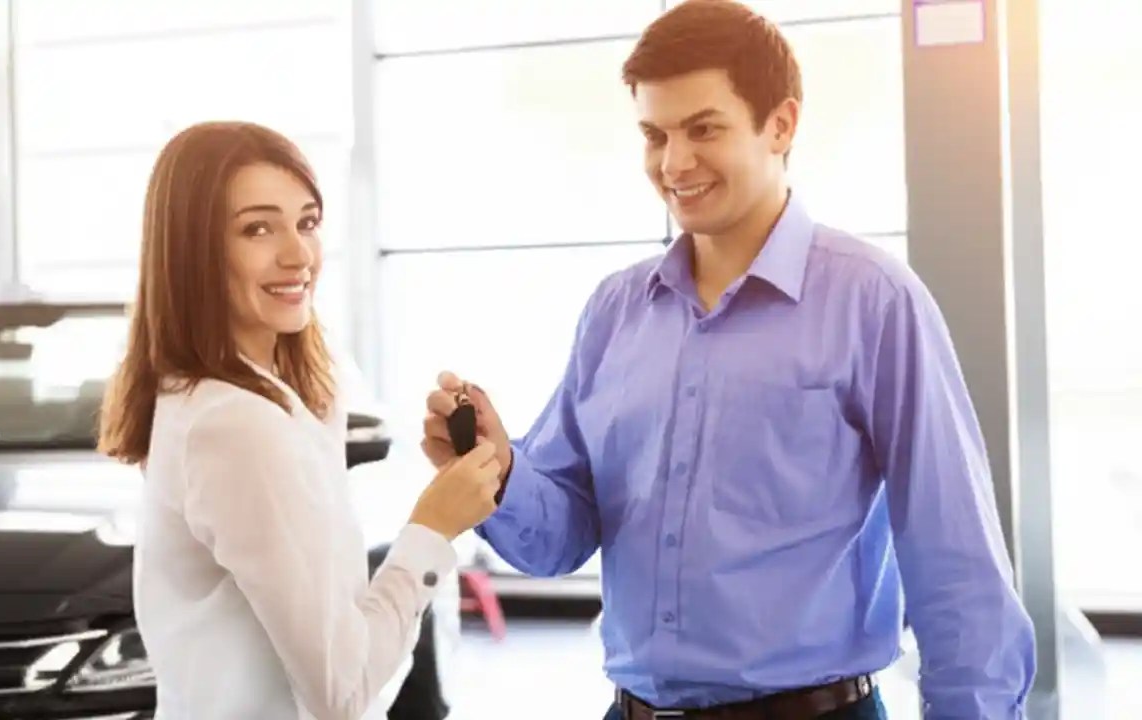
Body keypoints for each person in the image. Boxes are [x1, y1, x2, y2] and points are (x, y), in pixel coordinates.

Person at [422, 2, 1037, 718]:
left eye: (703, 129)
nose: (674, 163)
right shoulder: (616, 312)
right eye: (655, 135)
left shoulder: (874, 301)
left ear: (781, 124)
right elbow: (561, 536)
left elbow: (956, 561)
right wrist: (500, 471)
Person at [98, 120, 502, 720]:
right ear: (193, 250)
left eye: (307, 222)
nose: (298, 254)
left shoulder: (258, 396)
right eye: (257, 228)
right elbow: (342, 692)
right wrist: (434, 528)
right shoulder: (235, 424)